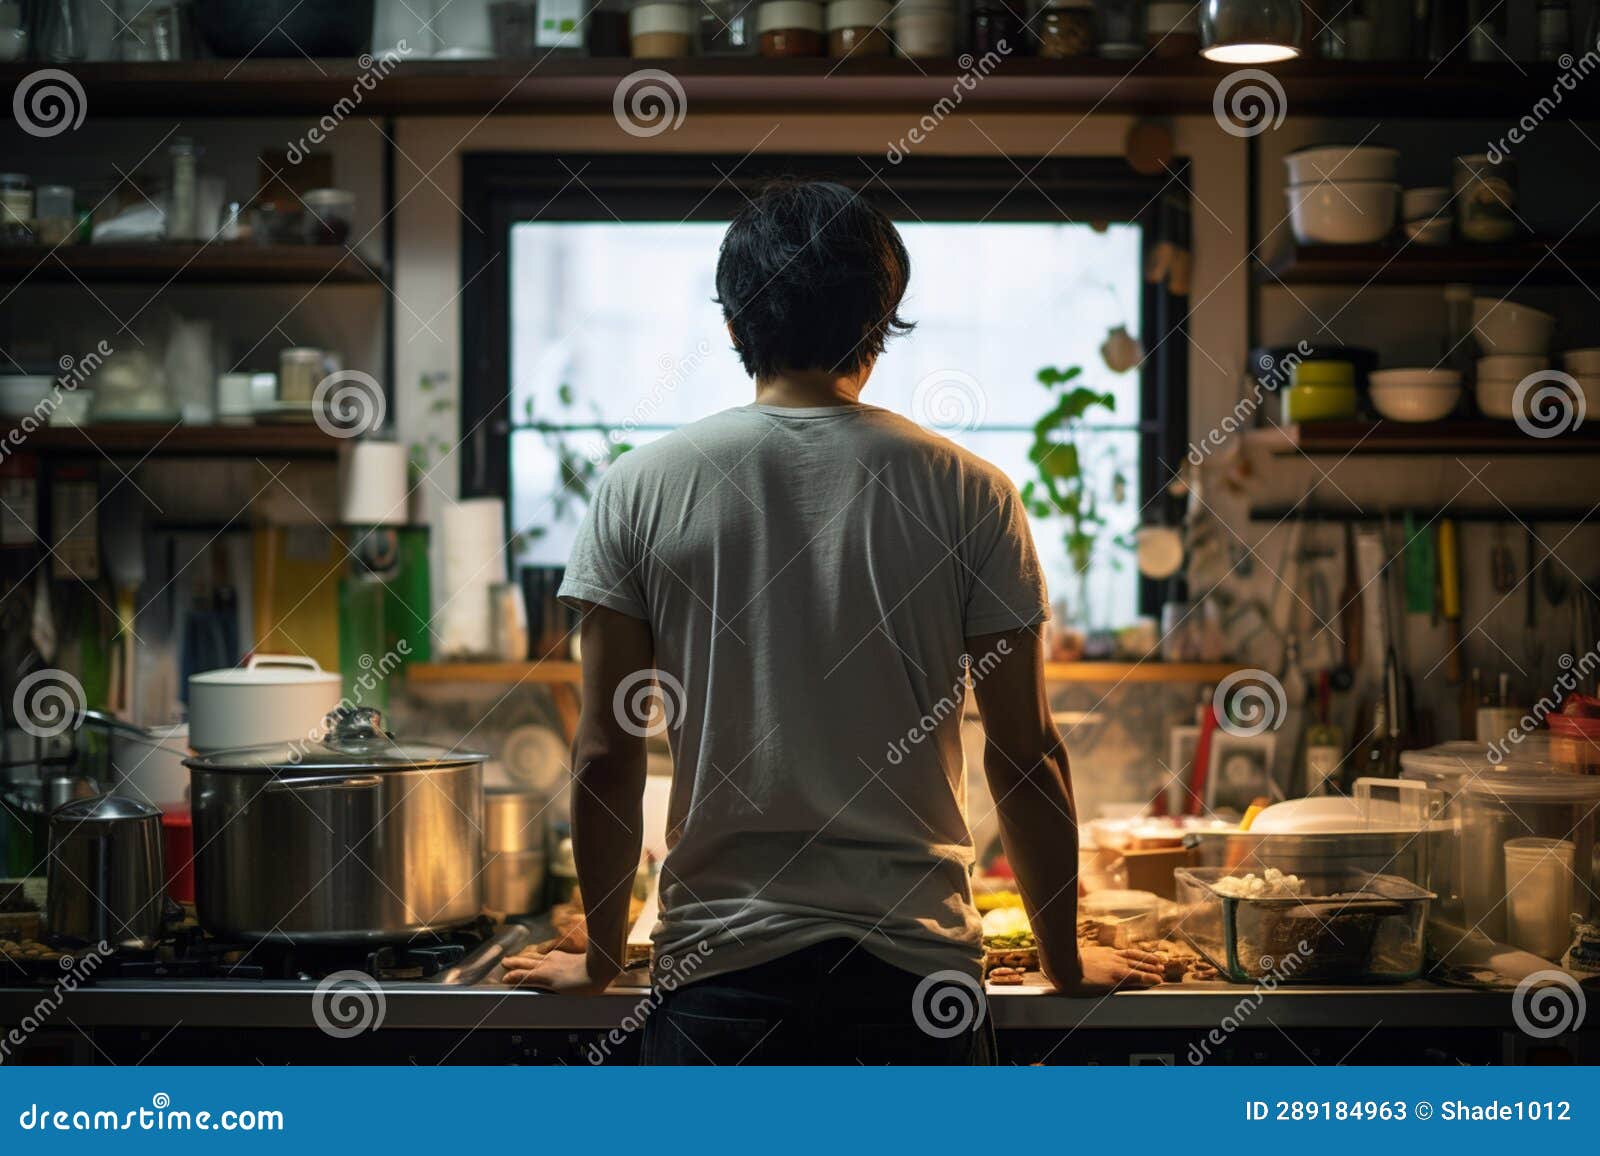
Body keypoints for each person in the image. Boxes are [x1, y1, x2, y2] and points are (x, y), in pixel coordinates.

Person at [503, 180, 1164, 1062]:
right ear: (881, 323)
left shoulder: (641, 487)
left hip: (717, 977)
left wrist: (597, 956)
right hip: (919, 980)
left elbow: (605, 753)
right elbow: (1026, 751)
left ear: (735, 325)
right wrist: (1065, 960)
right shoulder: (972, 492)